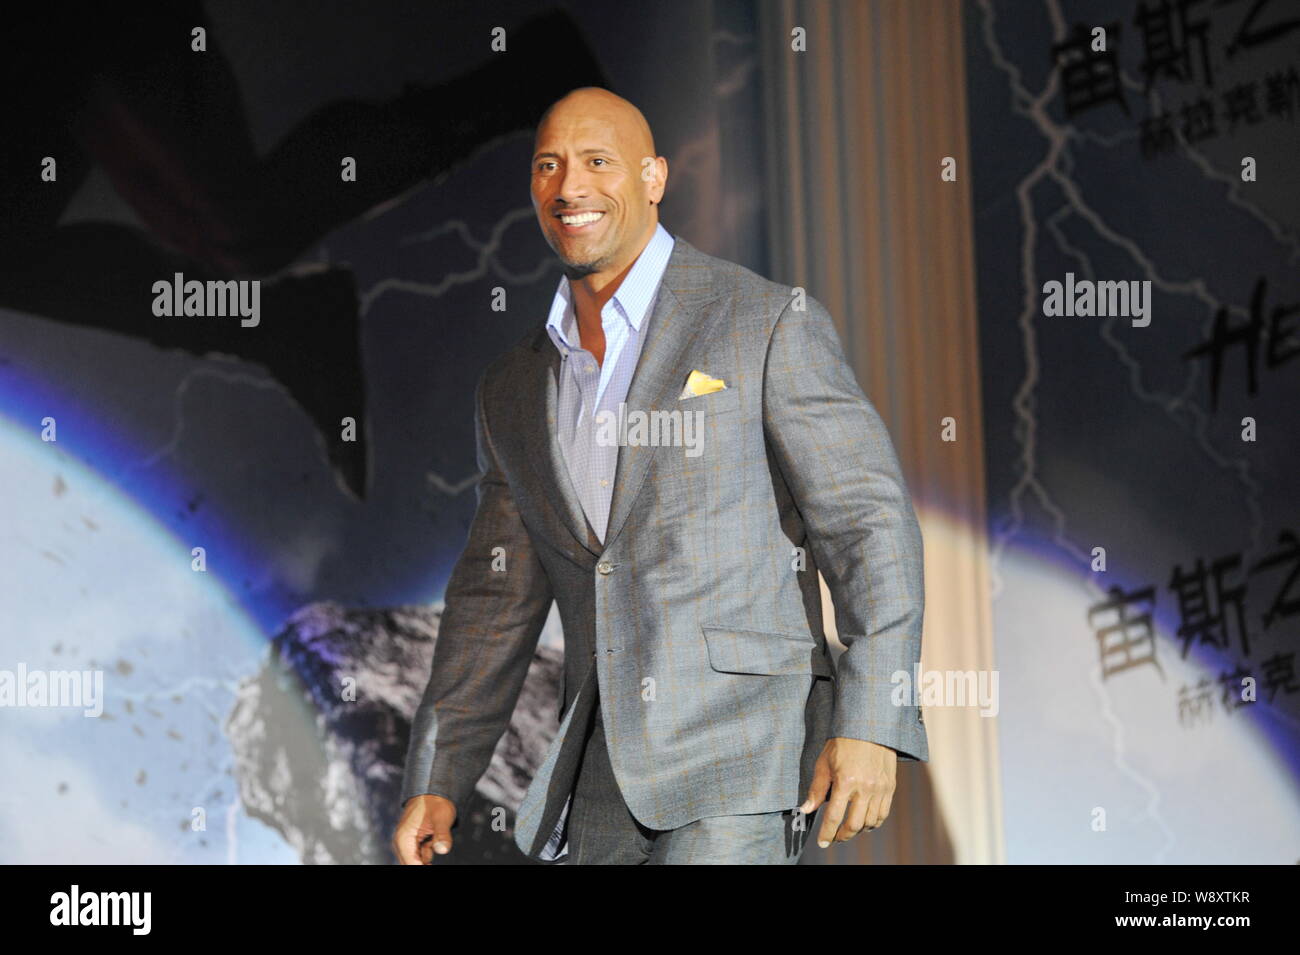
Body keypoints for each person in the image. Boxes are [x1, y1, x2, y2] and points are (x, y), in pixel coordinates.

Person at [393, 87, 928, 865]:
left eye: (597, 161)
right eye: (548, 166)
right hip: (599, 774)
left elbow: (867, 523)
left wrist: (873, 717)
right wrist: (439, 774)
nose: (569, 186)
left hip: (743, 754)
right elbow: (494, 596)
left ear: (654, 178)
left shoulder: (763, 320)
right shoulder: (512, 387)